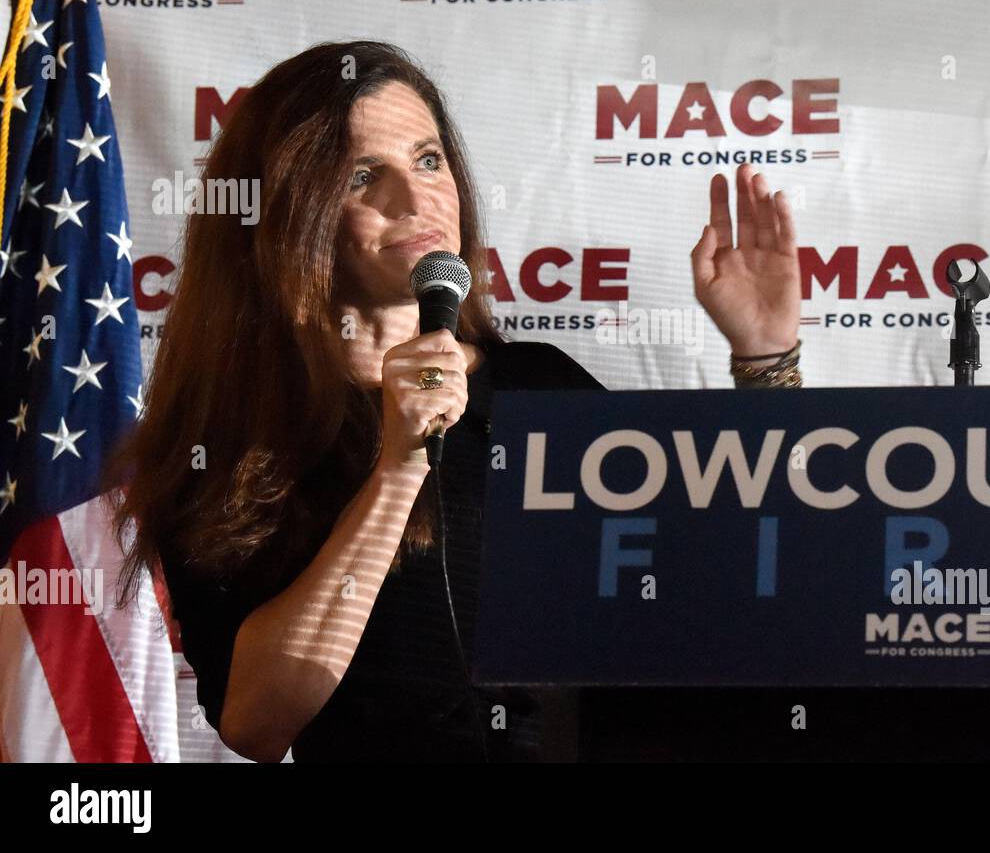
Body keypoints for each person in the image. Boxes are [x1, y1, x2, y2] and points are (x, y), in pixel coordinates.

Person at [106, 40, 804, 762]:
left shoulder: (539, 389)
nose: (416, 200)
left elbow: (725, 581)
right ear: (290, 212)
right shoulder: (230, 446)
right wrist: (399, 468)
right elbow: (255, 719)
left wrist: (765, 360)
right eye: (363, 176)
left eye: (429, 159)